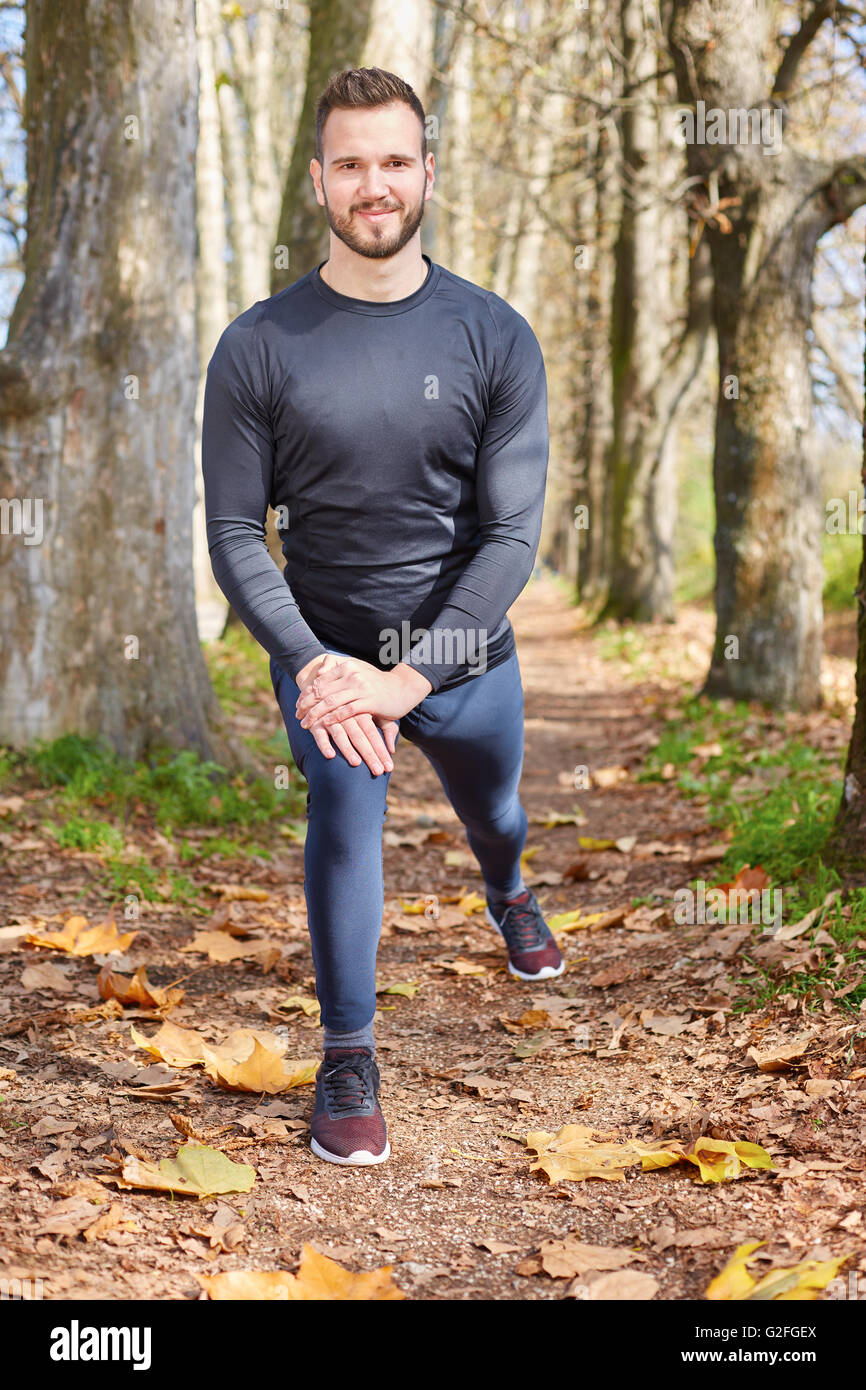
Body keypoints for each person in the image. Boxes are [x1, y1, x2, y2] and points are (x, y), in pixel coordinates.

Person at [202, 66, 563, 1167]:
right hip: (325, 651)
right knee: (342, 804)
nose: (374, 184)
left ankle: (508, 889)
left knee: (492, 807)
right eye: (350, 163)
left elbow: (509, 537)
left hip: (459, 653)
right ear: (318, 178)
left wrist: (411, 679)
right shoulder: (259, 345)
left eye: (393, 161)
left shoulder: (493, 336)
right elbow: (232, 535)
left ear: (426, 172)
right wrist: (315, 665)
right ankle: (349, 1057)